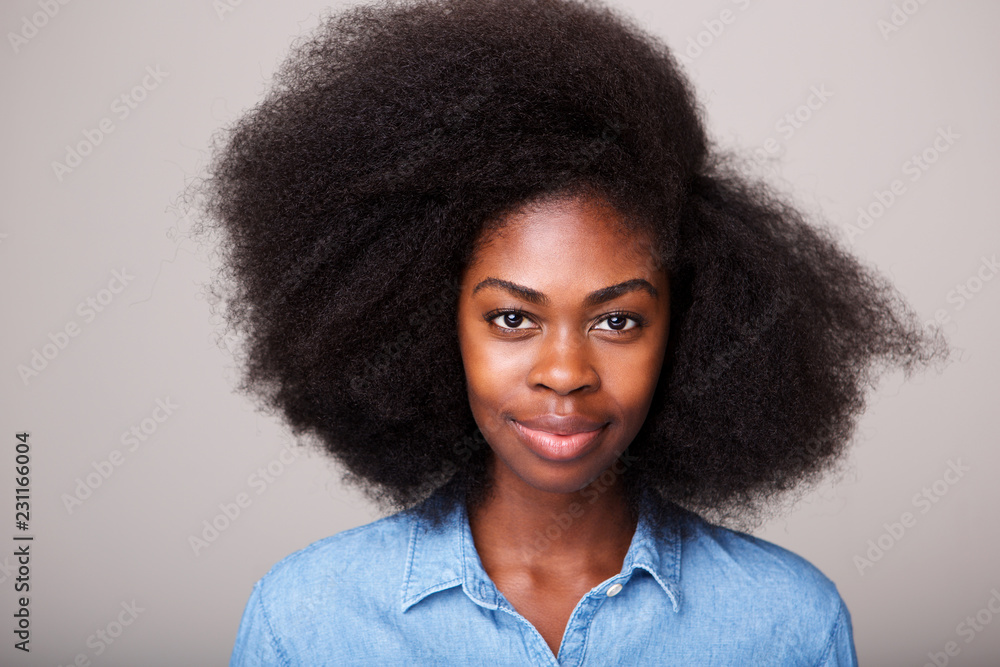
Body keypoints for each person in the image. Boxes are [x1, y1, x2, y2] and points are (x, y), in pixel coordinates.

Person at [189, 0, 944, 663]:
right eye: (513, 317)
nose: (564, 370)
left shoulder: (785, 625)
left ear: (693, 331)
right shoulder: (310, 623)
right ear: (426, 324)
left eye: (617, 319)